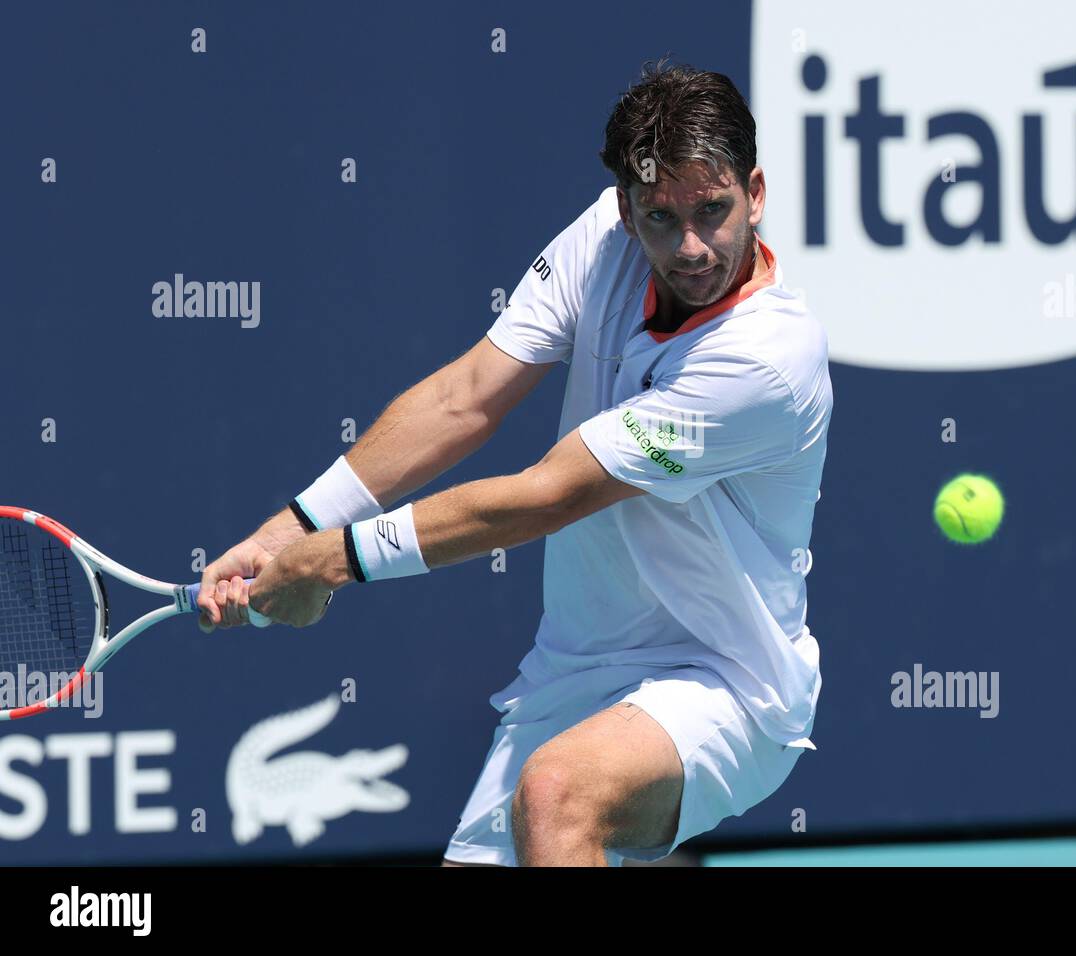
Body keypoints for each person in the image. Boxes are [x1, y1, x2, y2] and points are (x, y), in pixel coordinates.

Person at [196, 60, 833, 867]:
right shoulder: (603, 241)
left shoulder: (763, 362)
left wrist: (329, 562)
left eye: (714, 210)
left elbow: (547, 496)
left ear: (757, 192)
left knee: (558, 791)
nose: (693, 246)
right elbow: (465, 398)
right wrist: (293, 527)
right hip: (573, 669)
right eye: (660, 217)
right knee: (551, 787)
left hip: (727, 682)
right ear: (627, 212)